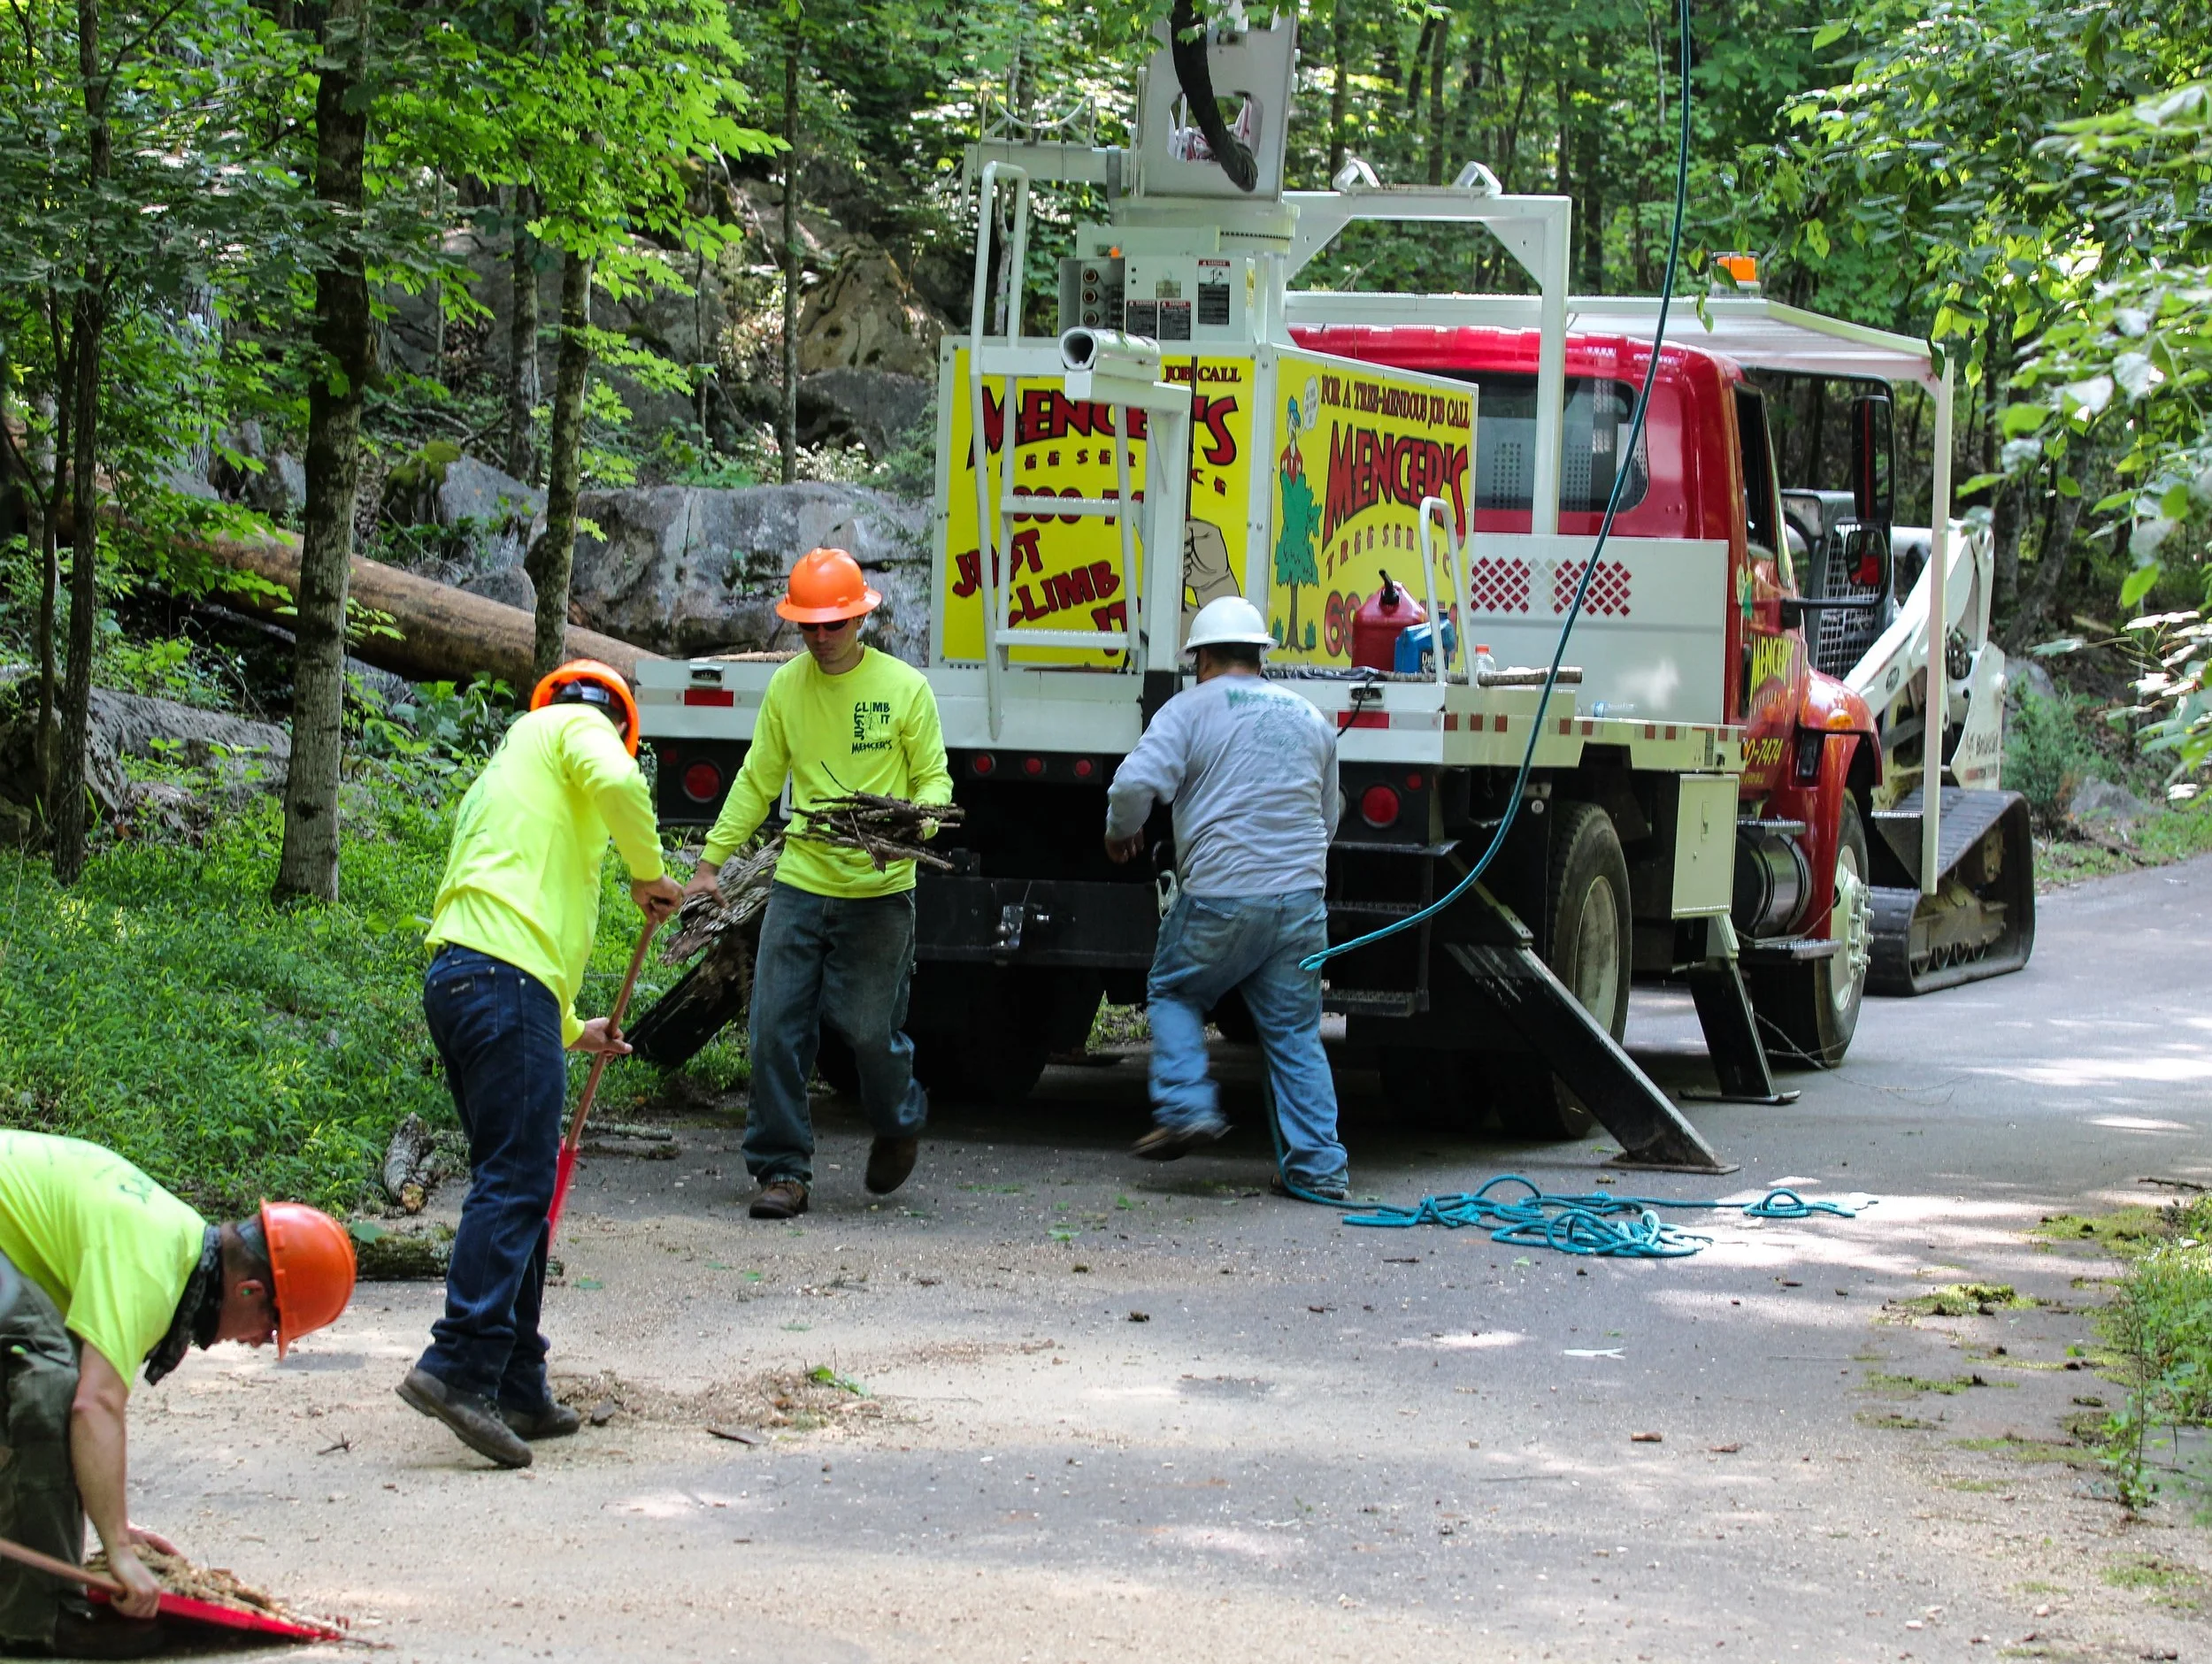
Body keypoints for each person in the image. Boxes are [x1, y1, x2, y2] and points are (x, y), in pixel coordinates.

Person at [397, 658, 682, 1470]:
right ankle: (458, 1365)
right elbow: (624, 788)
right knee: (518, 1180)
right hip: (502, 978)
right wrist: (648, 873)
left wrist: (567, 1026)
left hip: (471, 977)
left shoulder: (511, 770)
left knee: (513, 1177)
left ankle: (517, 1373)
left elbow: (512, 902)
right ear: (616, 720)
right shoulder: (575, 728)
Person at [0, 1131, 355, 1660]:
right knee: (50, 1381)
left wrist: (113, 1520)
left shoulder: (175, 1243)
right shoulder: (151, 1267)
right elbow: (92, 1406)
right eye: (272, 1327)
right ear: (249, 1289)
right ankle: (41, 1620)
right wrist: (116, 1547)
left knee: (49, 1368)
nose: (261, 1342)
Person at [687, 548, 952, 1221]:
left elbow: (934, 783)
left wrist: (911, 834)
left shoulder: (904, 689)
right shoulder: (787, 689)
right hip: (802, 880)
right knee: (773, 1027)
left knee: (869, 1031)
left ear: (860, 616)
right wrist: (711, 862)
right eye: (807, 625)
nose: (819, 636)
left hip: (879, 889)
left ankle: (900, 1116)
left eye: (832, 624)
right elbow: (757, 777)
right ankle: (782, 1169)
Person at [1103, 594, 1351, 1200]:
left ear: (1202, 658)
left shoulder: (1188, 711)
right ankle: (1320, 1167)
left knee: (1174, 988)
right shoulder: (1309, 717)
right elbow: (1330, 816)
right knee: (1294, 1032)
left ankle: (1186, 1105)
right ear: (1260, 654)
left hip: (1220, 895)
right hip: (1299, 902)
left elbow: (1134, 783)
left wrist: (1121, 830)